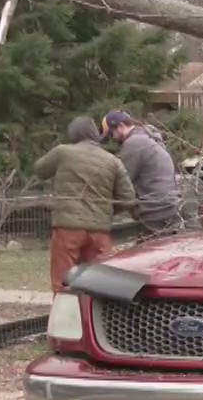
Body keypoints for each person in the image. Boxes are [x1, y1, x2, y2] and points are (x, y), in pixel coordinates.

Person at [35, 117, 136, 292]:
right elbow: (128, 198)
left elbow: (40, 169)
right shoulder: (113, 161)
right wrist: (106, 211)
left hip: (68, 228)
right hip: (100, 230)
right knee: (102, 284)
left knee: (63, 282)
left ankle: (66, 317)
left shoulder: (63, 152)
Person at [103, 109, 185, 233]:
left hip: (155, 210)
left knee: (149, 250)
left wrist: (103, 208)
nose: (112, 138)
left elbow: (121, 183)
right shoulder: (149, 139)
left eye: (111, 133)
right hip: (168, 206)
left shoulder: (134, 144)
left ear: (121, 126)